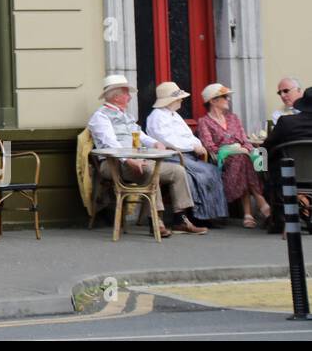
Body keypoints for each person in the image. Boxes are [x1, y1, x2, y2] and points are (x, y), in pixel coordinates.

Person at [87, 74, 207, 235]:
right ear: (116, 97)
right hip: (112, 164)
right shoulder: (100, 117)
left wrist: (155, 143)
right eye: (126, 93)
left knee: (178, 171)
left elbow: (140, 135)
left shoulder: (126, 116)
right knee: (151, 172)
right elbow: (111, 144)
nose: (129, 97)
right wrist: (128, 160)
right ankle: (156, 221)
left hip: (137, 160)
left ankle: (181, 219)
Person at [144, 82, 228, 224]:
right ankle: (199, 215)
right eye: (179, 98)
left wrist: (197, 144)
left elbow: (189, 135)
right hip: (172, 157)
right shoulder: (156, 117)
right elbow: (168, 140)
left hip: (186, 155)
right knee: (202, 173)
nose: (182, 100)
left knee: (212, 170)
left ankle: (211, 213)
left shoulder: (174, 115)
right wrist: (192, 146)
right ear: (170, 100)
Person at [197, 83, 271, 229]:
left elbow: (245, 140)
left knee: (248, 159)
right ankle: (261, 202)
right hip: (222, 160)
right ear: (213, 101)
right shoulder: (204, 122)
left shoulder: (233, 119)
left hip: (242, 158)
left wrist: (247, 150)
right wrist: (235, 150)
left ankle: (248, 214)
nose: (228, 100)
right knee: (241, 159)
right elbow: (210, 146)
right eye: (225, 97)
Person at [263, 88, 312, 230]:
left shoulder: (286, 122)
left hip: (287, 176)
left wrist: (261, 167)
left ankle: (279, 215)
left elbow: (266, 147)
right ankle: (304, 204)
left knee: (262, 163)